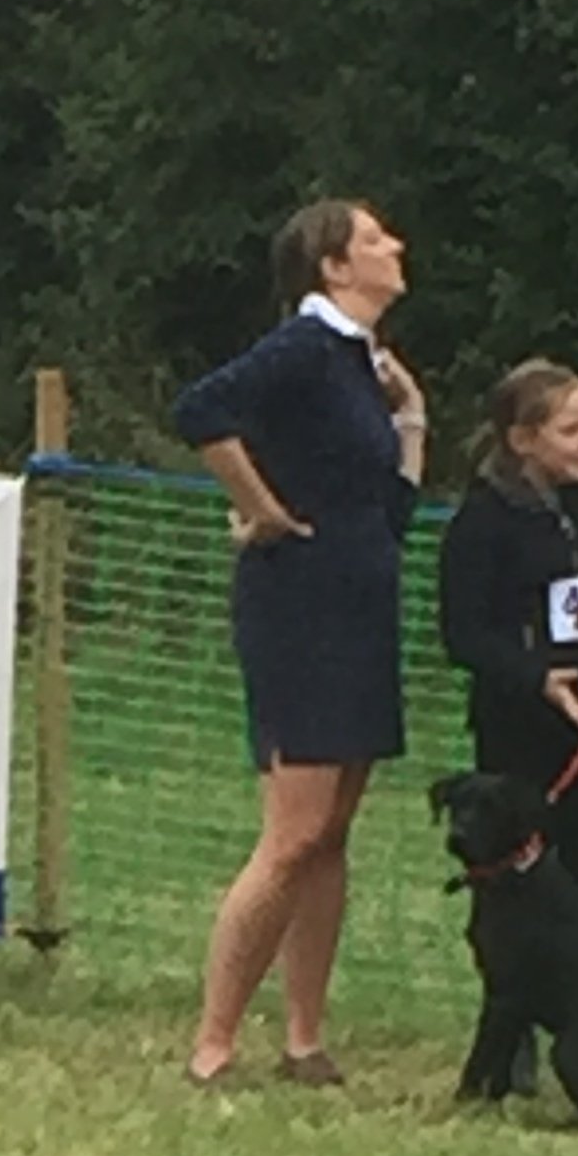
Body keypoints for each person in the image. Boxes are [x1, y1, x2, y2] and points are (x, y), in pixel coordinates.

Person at [172, 200, 426, 1086]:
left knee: (333, 833)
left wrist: (413, 418)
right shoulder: (305, 349)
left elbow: (391, 507)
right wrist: (261, 511)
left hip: (361, 601)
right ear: (332, 267)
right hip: (301, 608)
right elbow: (202, 409)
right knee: (293, 833)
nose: (393, 246)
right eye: (372, 239)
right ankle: (212, 1044)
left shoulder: (363, 365)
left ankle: (304, 1041)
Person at [438, 358, 578, 926]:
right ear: (523, 440)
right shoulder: (483, 522)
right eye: (570, 430)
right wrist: (536, 679)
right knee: (518, 876)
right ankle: (513, 1007)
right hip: (519, 730)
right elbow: (463, 634)